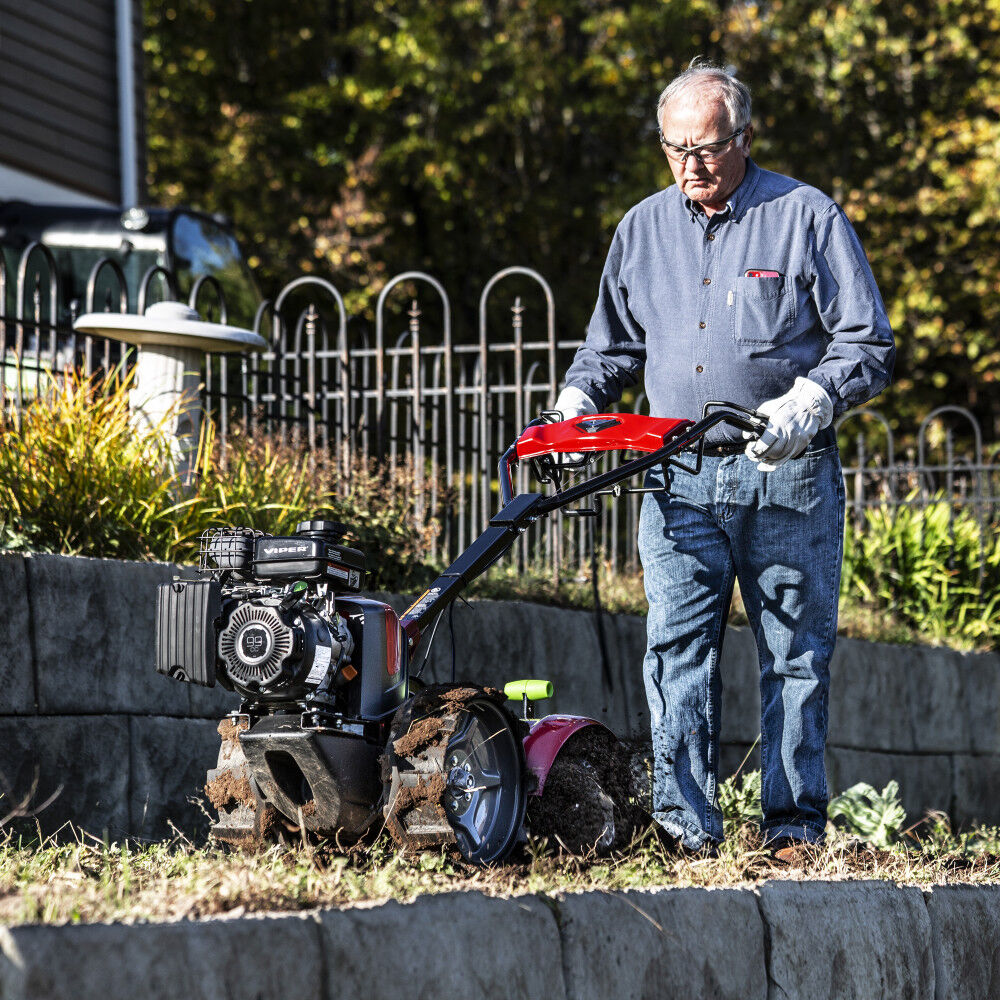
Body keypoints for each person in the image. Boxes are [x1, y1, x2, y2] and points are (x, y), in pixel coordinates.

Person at [554, 61, 894, 859]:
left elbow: (867, 343)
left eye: (705, 149)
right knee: (675, 650)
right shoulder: (641, 230)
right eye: (674, 150)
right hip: (676, 472)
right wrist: (576, 403)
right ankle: (685, 830)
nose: (690, 167)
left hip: (786, 471)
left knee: (794, 653)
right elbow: (610, 349)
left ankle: (791, 828)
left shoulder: (804, 215)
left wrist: (812, 401)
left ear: (745, 137)